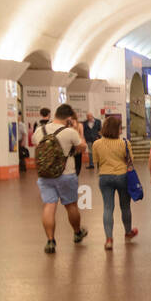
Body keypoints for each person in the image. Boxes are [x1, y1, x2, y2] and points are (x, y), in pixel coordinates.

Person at [32, 104, 88, 254]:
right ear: (69, 118)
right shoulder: (69, 132)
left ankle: (50, 241)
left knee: (49, 206)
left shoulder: (39, 130)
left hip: (45, 175)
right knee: (71, 206)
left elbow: (36, 144)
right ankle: (77, 232)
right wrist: (78, 131)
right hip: (66, 174)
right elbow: (82, 147)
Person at [91, 115, 138, 250]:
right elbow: (130, 161)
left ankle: (109, 239)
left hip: (105, 177)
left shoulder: (97, 143)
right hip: (122, 176)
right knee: (125, 207)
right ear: (117, 129)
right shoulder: (125, 143)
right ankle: (128, 232)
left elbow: (96, 162)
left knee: (108, 208)